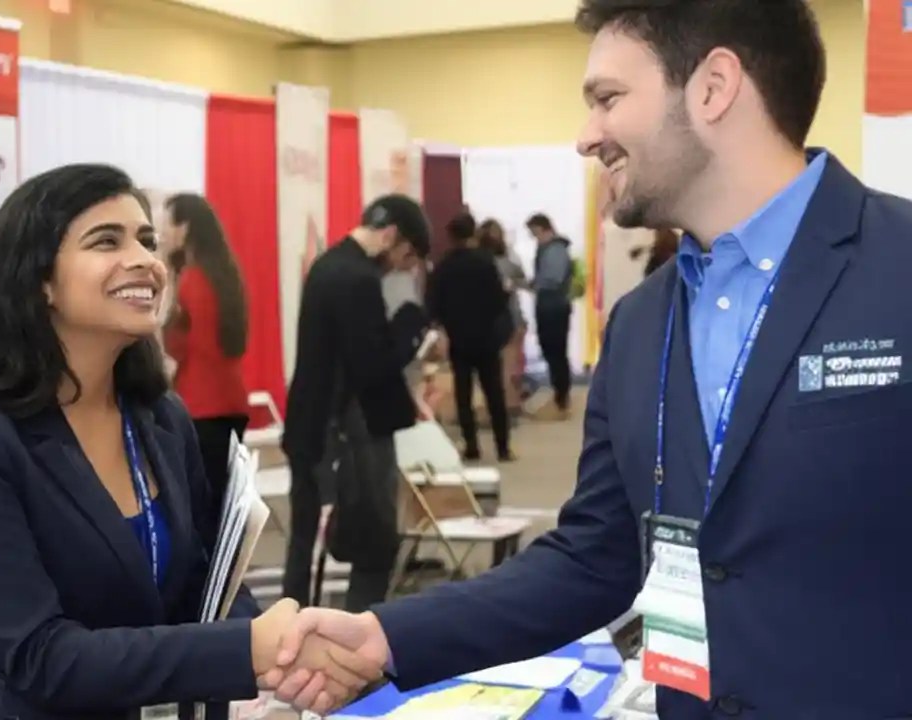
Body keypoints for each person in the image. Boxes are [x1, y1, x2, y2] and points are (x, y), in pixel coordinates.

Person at [266, 2, 912, 718]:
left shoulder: (900, 267)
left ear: (713, 86)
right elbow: (593, 558)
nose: (586, 137)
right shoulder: (638, 326)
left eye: (608, 99)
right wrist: (385, 636)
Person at [0, 164, 374, 720]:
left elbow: (209, 584)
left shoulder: (158, 419)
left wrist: (285, 653)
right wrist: (249, 648)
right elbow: (40, 660)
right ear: (40, 280)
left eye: (148, 240)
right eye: (107, 241)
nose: (146, 261)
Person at [280, 195, 431, 612]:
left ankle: (291, 632)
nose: (404, 266)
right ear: (391, 235)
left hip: (312, 426)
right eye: (407, 255)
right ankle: (352, 638)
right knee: (372, 547)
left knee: (306, 542)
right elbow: (372, 366)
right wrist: (409, 326)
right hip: (344, 438)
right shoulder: (358, 278)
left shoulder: (328, 265)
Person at [161, 193, 250, 524]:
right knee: (222, 506)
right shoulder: (224, 275)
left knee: (201, 512)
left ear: (184, 228)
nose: (163, 234)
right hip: (231, 403)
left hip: (200, 406)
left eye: (167, 224)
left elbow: (179, 348)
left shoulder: (191, 281)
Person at [426, 212, 514, 462]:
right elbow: (499, 299)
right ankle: (503, 447)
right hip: (486, 338)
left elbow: (432, 304)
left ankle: (472, 447)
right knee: (494, 392)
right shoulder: (485, 262)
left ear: (450, 236)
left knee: (463, 395)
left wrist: (446, 325)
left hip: (459, 340)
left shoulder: (444, 266)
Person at [525, 212, 574, 416]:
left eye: (535, 232)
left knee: (556, 352)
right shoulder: (548, 248)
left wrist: (533, 283)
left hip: (553, 307)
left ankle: (561, 397)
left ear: (543, 228)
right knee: (551, 351)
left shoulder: (554, 249)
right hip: (549, 306)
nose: (534, 237)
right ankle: (560, 395)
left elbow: (553, 278)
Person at [479, 218, 528, 417]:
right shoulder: (509, 260)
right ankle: (511, 403)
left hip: (488, 321)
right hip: (512, 318)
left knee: (496, 368)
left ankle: (502, 404)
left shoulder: (480, 263)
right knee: (511, 364)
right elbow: (522, 279)